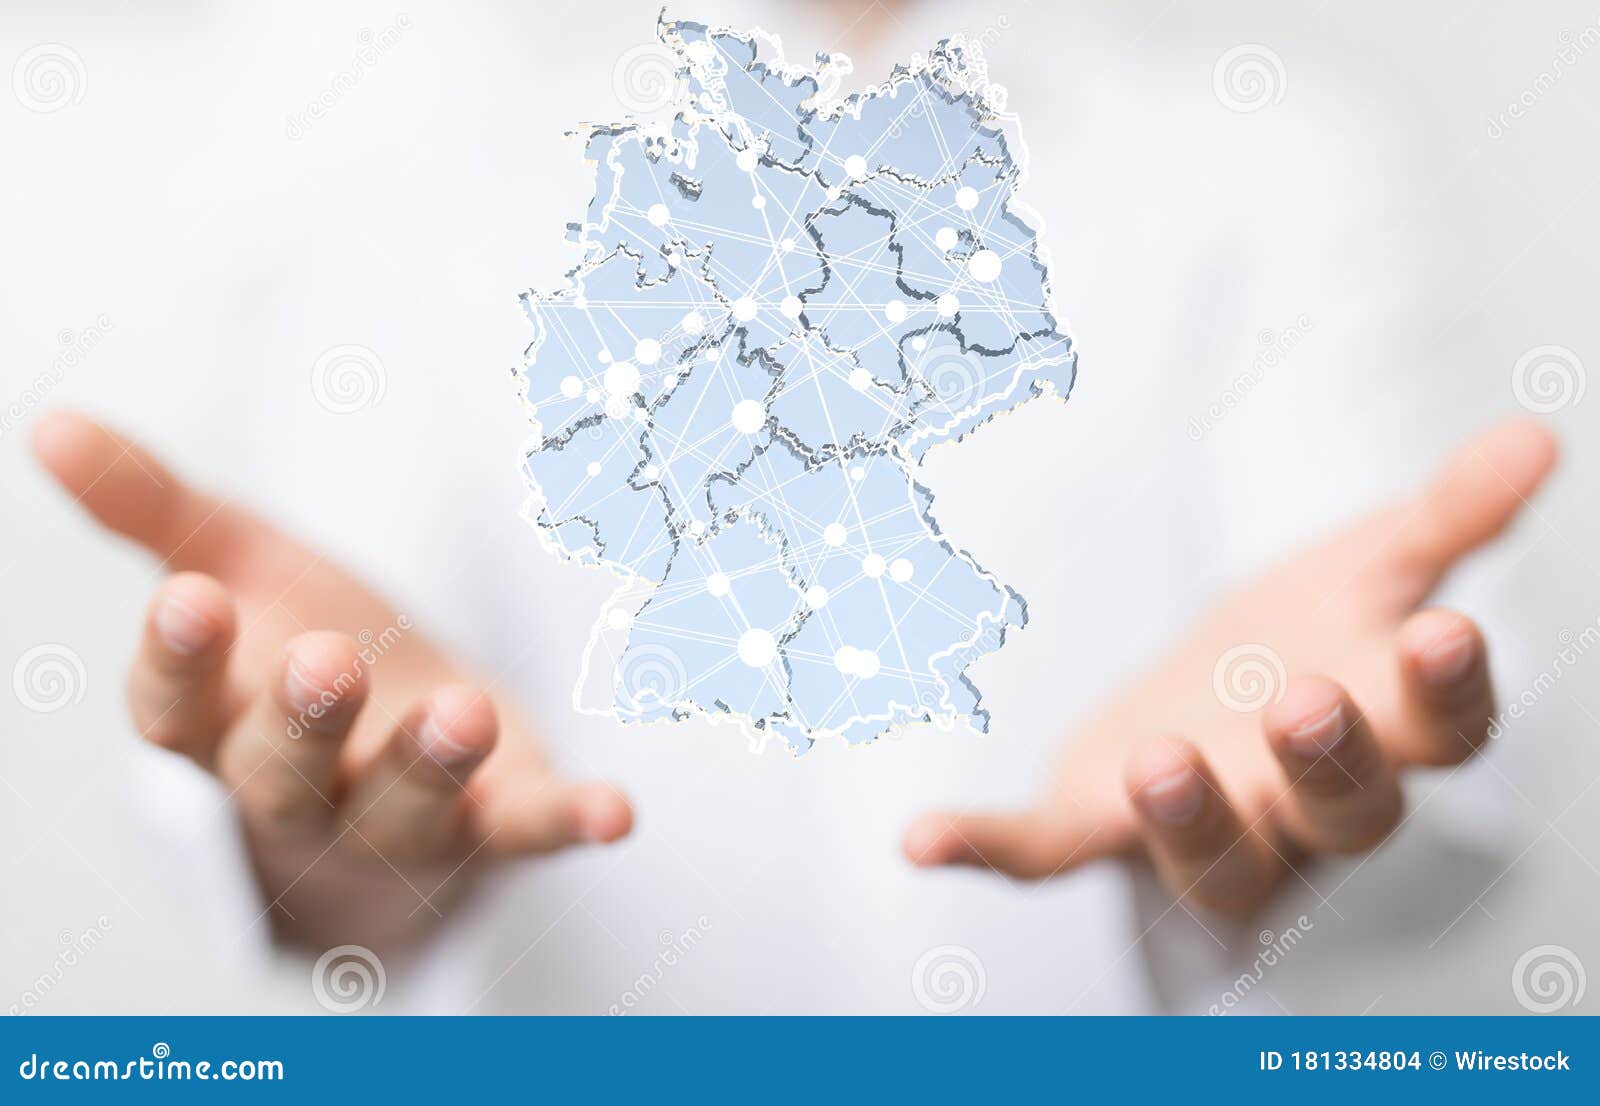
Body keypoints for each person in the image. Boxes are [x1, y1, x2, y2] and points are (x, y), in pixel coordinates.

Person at [11, 1, 1568, 1013]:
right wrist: (343, 820)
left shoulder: (1284, 153)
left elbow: (1426, 793)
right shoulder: (413, 159)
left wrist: (1286, 814)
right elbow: (325, 847)